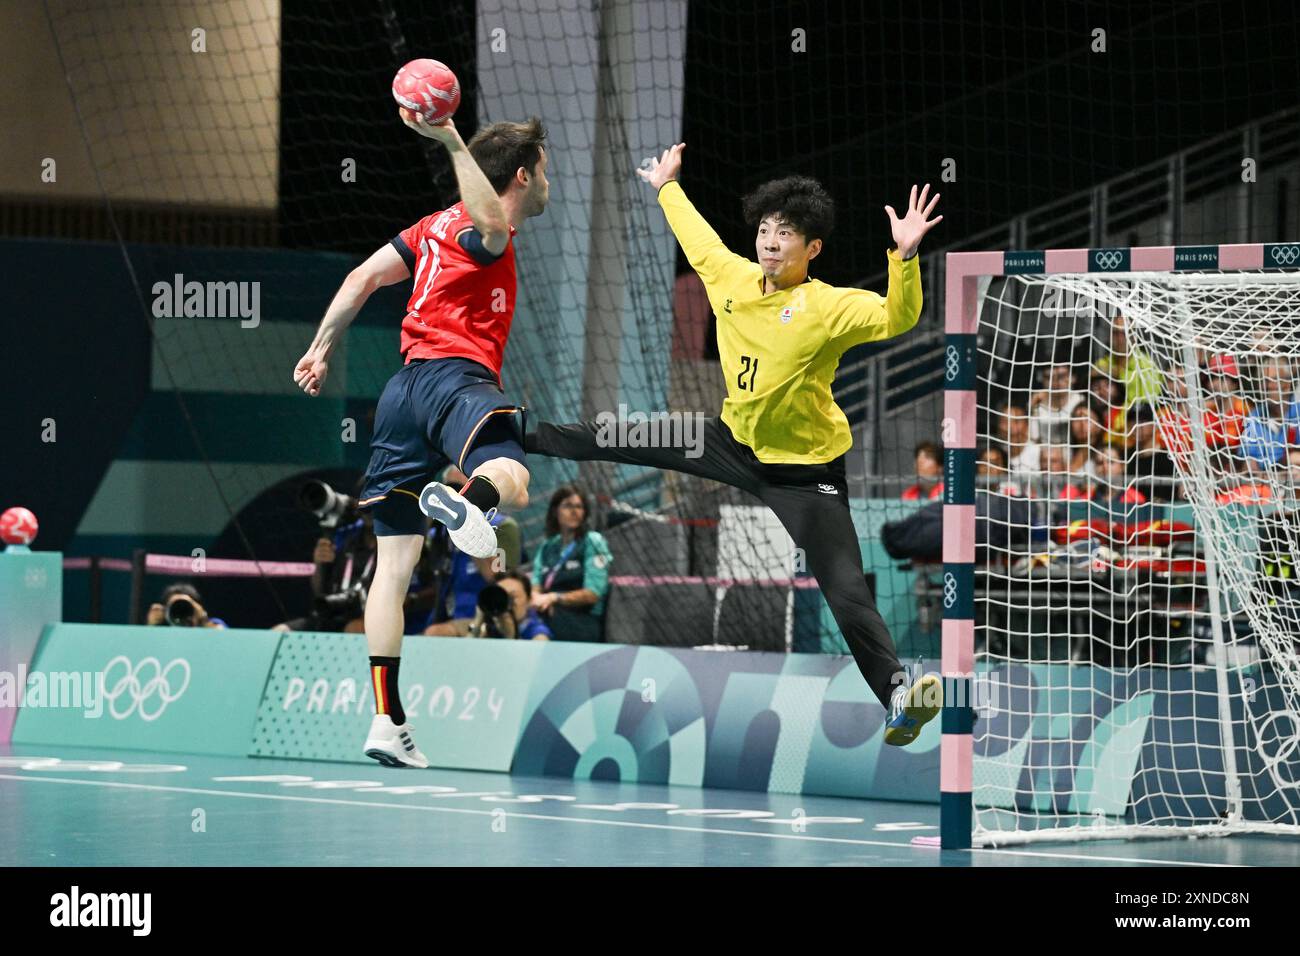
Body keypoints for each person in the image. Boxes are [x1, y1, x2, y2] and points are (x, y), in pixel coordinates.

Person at [526, 144, 944, 745]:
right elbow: (697, 238)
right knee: (622, 434)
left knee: (846, 587)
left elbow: (897, 320)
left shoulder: (828, 306)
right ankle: (517, 432)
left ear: (813, 249)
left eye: (786, 235)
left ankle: (898, 695)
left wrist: (903, 258)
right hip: (731, 441)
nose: (770, 243)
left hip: (804, 473)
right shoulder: (732, 277)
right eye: (766, 231)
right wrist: (667, 185)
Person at [291, 111, 549, 768]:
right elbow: (491, 225)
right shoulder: (482, 227)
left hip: (400, 395)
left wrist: (320, 349)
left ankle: (387, 720)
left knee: (393, 570)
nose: (548, 180)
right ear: (522, 174)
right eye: (544, 169)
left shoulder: (428, 227)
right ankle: (470, 499)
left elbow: (360, 281)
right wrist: (451, 137)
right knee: (514, 476)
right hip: (455, 381)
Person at [529, 486, 613, 642]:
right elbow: (536, 584)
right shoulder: (548, 546)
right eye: (568, 505)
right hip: (548, 614)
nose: (574, 511)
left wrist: (553, 597)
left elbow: (592, 594)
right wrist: (536, 598)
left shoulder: (593, 541)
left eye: (579, 507)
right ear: (555, 511)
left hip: (581, 621)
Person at [146, 583, 226, 629]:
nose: (181, 611)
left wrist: (203, 620)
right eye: (175, 606)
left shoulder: (211, 624)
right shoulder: (162, 630)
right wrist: (151, 626)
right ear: (166, 609)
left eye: (185, 606)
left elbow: (223, 638)